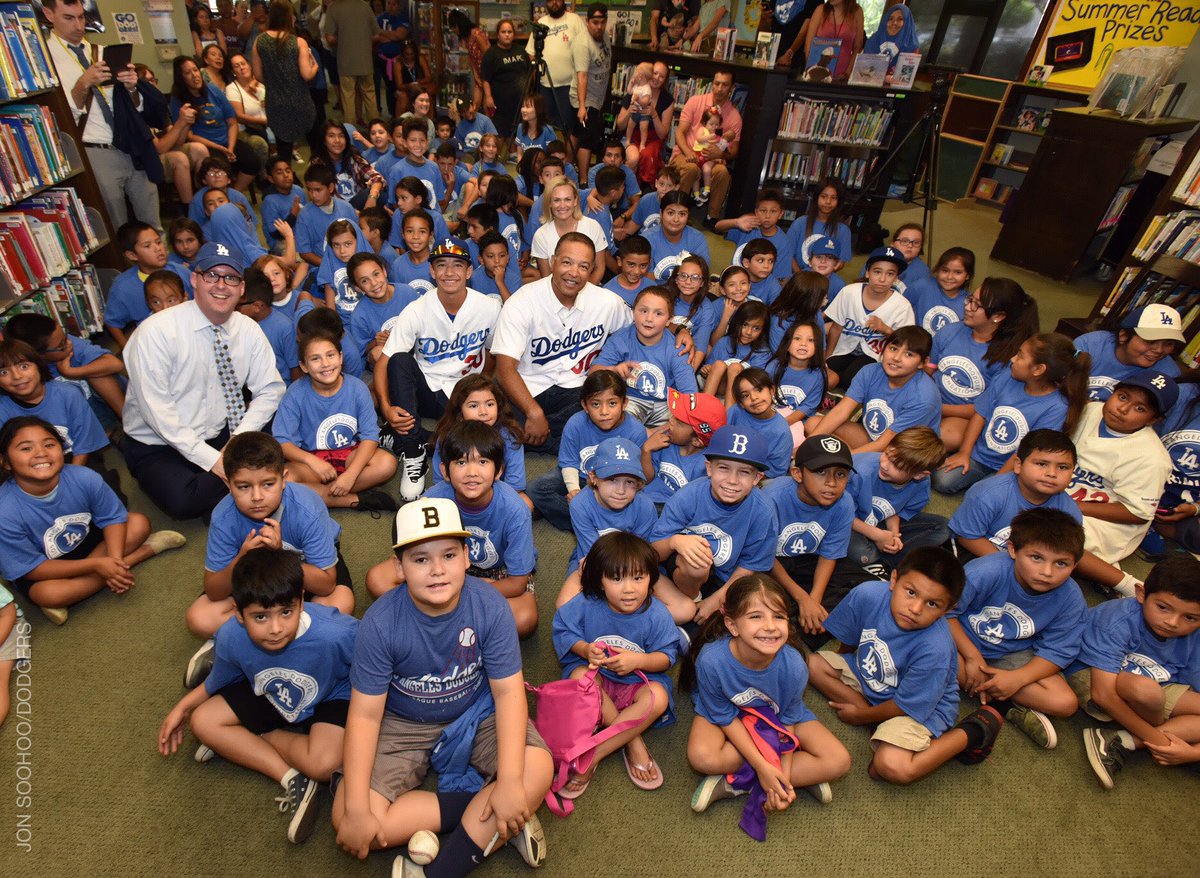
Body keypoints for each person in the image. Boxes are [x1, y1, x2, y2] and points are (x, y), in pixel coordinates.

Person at [331, 497, 552, 874]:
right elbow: (366, 716)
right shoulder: (380, 623)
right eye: (420, 559)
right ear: (398, 567)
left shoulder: (491, 607)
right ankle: (490, 812)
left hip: (475, 711)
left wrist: (512, 781)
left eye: (449, 555)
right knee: (350, 817)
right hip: (402, 723)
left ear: (467, 557)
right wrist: (354, 808)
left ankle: (438, 871)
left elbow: (508, 693)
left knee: (537, 770)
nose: (437, 570)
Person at [158, 547, 356, 844]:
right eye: (260, 617)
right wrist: (182, 707)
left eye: (286, 612)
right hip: (272, 691)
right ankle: (291, 777)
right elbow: (219, 679)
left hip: (330, 694)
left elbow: (378, 663)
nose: (275, 629)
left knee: (324, 765)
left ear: (302, 601)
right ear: (237, 613)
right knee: (202, 722)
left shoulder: (338, 633)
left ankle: (251, 737)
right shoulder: (230, 635)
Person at [810, 548, 1007, 783]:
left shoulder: (936, 647)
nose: (915, 609)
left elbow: (904, 706)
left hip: (921, 707)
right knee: (813, 664)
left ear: (948, 609)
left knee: (892, 767)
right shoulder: (867, 594)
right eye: (911, 592)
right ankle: (879, 724)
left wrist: (859, 716)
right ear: (894, 580)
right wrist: (844, 666)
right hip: (873, 680)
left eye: (932, 603)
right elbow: (849, 641)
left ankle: (974, 730)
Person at [121, 241, 285, 520]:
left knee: (281, 425)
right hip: (160, 442)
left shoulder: (248, 329)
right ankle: (246, 485)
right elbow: (159, 414)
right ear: (195, 279)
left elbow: (270, 389)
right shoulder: (154, 333)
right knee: (183, 502)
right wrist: (216, 462)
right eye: (212, 275)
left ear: (242, 288)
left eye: (231, 278)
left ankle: (238, 488)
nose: (222, 285)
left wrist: (237, 441)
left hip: (224, 430)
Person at [682, 574, 851, 820]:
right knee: (701, 757)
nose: (770, 626)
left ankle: (736, 783)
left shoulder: (794, 666)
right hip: (729, 717)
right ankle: (780, 778)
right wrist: (764, 766)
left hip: (778, 717)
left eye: (779, 616)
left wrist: (781, 773)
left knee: (839, 761)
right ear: (732, 625)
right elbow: (723, 716)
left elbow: (789, 719)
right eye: (755, 616)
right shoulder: (712, 661)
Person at [0, 415, 184, 625]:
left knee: (138, 523)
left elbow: (113, 518)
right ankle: (140, 554)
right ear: (5, 462)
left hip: (89, 541)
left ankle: (108, 572)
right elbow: (31, 568)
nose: (41, 453)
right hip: (46, 565)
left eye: (49, 444)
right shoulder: (4, 511)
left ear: (62, 450)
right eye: (26, 449)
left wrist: (112, 559)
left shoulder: (84, 477)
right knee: (48, 594)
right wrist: (97, 565)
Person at [949, 508, 1089, 750]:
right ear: (1013, 550)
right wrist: (972, 656)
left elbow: (1058, 652)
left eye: (1061, 563)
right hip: (960, 641)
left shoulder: (1072, 598)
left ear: (1075, 564)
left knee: (1065, 703)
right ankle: (1005, 700)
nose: (1047, 572)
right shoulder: (984, 571)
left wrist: (1017, 679)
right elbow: (944, 613)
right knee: (932, 652)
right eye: (1036, 558)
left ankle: (1000, 693)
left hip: (1011, 653)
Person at [375, 238, 502, 500]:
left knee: (482, 432)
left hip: (465, 394)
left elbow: (495, 352)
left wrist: (485, 381)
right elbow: (384, 362)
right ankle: (413, 451)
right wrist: (387, 407)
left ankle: (413, 437)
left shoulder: (489, 307)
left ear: (469, 271)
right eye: (441, 265)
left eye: (458, 265)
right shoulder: (417, 309)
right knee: (400, 360)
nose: (449, 272)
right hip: (427, 389)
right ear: (432, 272)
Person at [553, 531, 677, 793]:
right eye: (616, 578)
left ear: (651, 580)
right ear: (599, 581)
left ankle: (593, 754)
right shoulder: (587, 603)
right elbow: (563, 630)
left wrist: (639, 660)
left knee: (658, 697)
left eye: (638, 577)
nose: (629, 588)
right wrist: (585, 649)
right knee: (578, 679)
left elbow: (666, 658)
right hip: (596, 678)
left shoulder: (657, 614)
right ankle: (632, 740)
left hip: (637, 684)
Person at [1079, 555, 1200, 788]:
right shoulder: (1117, 621)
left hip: (1157, 683)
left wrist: (1190, 754)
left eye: (1190, 617)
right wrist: (1161, 742)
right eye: (1163, 608)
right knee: (1146, 692)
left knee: (1153, 693)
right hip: (1092, 673)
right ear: (1141, 594)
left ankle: (1122, 741)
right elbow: (1102, 695)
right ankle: (1145, 735)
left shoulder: (1194, 635)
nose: (1173, 622)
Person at [44, 0, 162, 230]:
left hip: (132, 144)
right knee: (115, 224)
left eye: (81, 17)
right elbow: (60, 119)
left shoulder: (100, 52)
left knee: (152, 221)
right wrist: (83, 85)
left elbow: (134, 108)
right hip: (95, 150)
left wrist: (131, 88)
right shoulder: (47, 59)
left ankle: (162, 265)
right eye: (69, 18)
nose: (78, 26)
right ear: (49, 14)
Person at [649, 425, 779, 625]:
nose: (732, 481)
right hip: (681, 571)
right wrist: (675, 541)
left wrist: (716, 600)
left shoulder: (764, 511)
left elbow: (749, 566)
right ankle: (689, 602)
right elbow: (654, 551)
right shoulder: (689, 496)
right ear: (709, 468)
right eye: (723, 468)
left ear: (757, 478)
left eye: (744, 472)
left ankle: (694, 613)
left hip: (727, 580)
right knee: (697, 563)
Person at [934, 333, 1089, 495]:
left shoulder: (1057, 407)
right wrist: (964, 453)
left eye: (1020, 356)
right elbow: (980, 413)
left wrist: (998, 480)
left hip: (1013, 466)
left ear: (1038, 369)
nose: (1012, 359)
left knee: (982, 494)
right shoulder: (1007, 376)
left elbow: (1028, 451)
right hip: (979, 454)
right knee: (941, 480)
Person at [1067, 370, 1175, 597]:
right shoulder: (1091, 410)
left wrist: (1074, 507)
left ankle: (1126, 584)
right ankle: (1092, 568)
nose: (1123, 409)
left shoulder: (1152, 458)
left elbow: (1138, 513)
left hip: (1109, 520)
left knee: (1049, 534)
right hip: (1067, 492)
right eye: (1123, 397)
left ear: (1153, 420)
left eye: (1140, 408)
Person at [272, 324, 398, 511]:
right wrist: (312, 461)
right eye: (315, 359)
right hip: (311, 459)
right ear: (304, 366)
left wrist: (351, 475)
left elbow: (370, 436)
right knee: (282, 481)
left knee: (387, 463)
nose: (325, 364)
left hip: (350, 454)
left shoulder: (357, 388)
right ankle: (349, 499)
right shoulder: (295, 393)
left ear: (340, 357)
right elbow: (282, 441)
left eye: (330, 355)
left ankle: (323, 494)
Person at [948, 429, 1081, 559]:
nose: (1052, 473)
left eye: (1062, 467)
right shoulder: (987, 494)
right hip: (977, 551)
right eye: (1041, 464)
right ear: (1018, 465)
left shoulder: (1069, 511)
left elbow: (1060, 552)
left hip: (1034, 564)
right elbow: (967, 537)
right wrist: (1013, 567)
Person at [593, 285, 698, 427]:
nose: (649, 318)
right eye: (643, 311)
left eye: (658, 314)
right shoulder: (621, 339)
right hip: (630, 400)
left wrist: (681, 423)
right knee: (618, 421)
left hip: (666, 404)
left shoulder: (677, 348)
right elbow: (593, 373)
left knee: (684, 428)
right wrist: (613, 370)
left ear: (669, 320)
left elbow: (690, 394)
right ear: (633, 312)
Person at [845, 426, 949, 569]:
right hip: (847, 521)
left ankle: (887, 556)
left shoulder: (921, 484)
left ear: (919, 475)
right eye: (887, 454)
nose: (885, 465)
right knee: (863, 554)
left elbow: (895, 510)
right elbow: (839, 513)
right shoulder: (861, 471)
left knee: (944, 527)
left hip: (876, 521)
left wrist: (893, 535)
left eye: (897, 466)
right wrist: (877, 535)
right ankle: (886, 558)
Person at [0, 340, 107, 466]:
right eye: (4, 372)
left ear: (38, 366)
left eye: (24, 366)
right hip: (30, 468)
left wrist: (68, 481)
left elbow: (84, 445)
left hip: (78, 459)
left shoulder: (68, 394)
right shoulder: (2, 409)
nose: (17, 376)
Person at [170, 55, 263, 193]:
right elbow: (189, 136)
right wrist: (219, 147)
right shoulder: (178, 100)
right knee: (220, 168)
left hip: (228, 140)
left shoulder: (213, 90)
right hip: (206, 145)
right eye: (188, 73)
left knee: (253, 161)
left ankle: (232, 194)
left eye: (195, 70)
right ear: (181, 78)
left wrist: (230, 148)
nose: (194, 75)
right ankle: (219, 196)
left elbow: (232, 122)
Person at [824, 245, 913, 387]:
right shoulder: (849, 292)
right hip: (844, 348)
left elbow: (906, 343)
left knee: (851, 380)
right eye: (877, 271)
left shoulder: (902, 306)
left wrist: (886, 329)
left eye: (890, 274)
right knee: (826, 372)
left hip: (874, 355)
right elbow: (836, 328)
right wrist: (827, 357)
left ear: (896, 278)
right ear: (867, 272)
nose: (882, 279)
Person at [667, 69, 741, 224]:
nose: (720, 88)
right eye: (716, 83)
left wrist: (719, 154)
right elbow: (680, 132)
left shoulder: (734, 116)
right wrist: (688, 153)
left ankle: (712, 217)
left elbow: (734, 152)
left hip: (712, 160)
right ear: (712, 84)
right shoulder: (695, 101)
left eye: (725, 85)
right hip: (686, 153)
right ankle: (676, 212)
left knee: (722, 172)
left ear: (732, 88)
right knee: (691, 168)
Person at [252, 0, 318, 163]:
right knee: (315, 144)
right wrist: (315, 66)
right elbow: (306, 74)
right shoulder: (297, 42)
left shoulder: (259, 41)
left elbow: (258, 75)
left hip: (276, 103)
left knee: (283, 150)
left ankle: (285, 181)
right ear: (289, 17)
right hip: (300, 101)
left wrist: (274, 82)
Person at [1074, 304, 1184, 402]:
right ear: (1124, 336)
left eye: (1169, 344)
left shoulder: (1167, 375)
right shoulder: (1089, 345)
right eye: (1150, 341)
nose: (1159, 350)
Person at [531, 177, 609, 284]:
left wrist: (581, 296)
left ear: (575, 201)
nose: (562, 205)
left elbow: (599, 268)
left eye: (567, 199)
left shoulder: (593, 227)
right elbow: (547, 278)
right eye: (557, 200)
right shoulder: (541, 235)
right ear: (549, 203)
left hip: (589, 290)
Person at [526, 0, 586, 134]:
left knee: (567, 127)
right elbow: (531, 52)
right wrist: (538, 68)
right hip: (544, 86)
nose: (554, 3)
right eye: (551, 0)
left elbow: (584, 48)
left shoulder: (574, 20)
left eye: (558, 0)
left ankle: (567, 155)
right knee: (545, 126)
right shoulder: (541, 22)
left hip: (568, 86)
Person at [614, 61, 675, 185]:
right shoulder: (635, 91)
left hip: (653, 140)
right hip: (631, 137)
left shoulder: (667, 99)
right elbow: (620, 125)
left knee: (647, 155)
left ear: (665, 81)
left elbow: (663, 134)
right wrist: (629, 111)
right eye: (655, 73)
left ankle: (643, 190)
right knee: (633, 158)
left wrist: (653, 114)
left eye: (661, 76)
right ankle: (626, 191)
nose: (657, 78)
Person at [321, 0, 380, 127]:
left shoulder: (334, 8)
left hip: (345, 60)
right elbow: (376, 35)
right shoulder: (365, 6)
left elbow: (330, 38)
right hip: (365, 60)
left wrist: (342, 42)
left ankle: (350, 133)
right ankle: (376, 129)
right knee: (370, 95)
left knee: (348, 97)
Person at [570, 4, 612, 173]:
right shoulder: (582, 43)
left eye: (602, 22)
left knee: (577, 134)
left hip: (598, 98)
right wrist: (582, 106)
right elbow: (582, 76)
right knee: (587, 139)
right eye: (595, 22)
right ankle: (583, 179)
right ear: (587, 21)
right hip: (585, 99)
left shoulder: (605, 35)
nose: (599, 26)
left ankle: (565, 165)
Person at [481, 20, 533, 143]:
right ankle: (499, 158)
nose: (507, 35)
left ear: (513, 34)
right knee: (499, 133)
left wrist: (528, 92)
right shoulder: (491, 54)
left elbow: (529, 72)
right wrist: (488, 97)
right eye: (503, 32)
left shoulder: (521, 51)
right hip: (499, 101)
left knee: (517, 132)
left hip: (519, 101)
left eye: (509, 32)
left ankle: (514, 156)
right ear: (498, 34)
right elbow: (485, 79)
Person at [224, 52, 269, 170]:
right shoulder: (232, 89)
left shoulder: (261, 84)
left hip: (268, 125)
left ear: (249, 65)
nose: (241, 67)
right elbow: (239, 116)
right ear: (233, 72)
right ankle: (263, 174)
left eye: (243, 63)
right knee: (259, 143)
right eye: (236, 66)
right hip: (247, 130)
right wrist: (264, 121)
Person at [803, 0, 864, 81]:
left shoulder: (857, 12)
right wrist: (811, 67)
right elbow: (808, 44)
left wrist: (848, 72)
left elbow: (858, 47)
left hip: (843, 75)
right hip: (816, 75)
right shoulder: (820, 10)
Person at [864, 2, 920, 78]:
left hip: (896, 89)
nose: (894, 23)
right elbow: (864, 72)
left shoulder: (911, 46)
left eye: (900, 19)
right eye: (890, 19)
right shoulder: (873, 41)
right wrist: (883, 78)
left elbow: (905, 78)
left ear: (907, 23)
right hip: (869, 87)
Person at [373, 0, 409, 116]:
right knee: (389, 87)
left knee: (398, 86)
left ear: (398, 5)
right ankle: (392, 113)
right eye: (388, 4)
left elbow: (400, 35)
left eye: (394, 4)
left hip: (398, 59)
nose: (391, 7)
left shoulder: (402, 17)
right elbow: (374, 36)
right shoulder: (380, 18)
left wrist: (383, 33)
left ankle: (400, 113)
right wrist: (391, 35)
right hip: (382, 58)